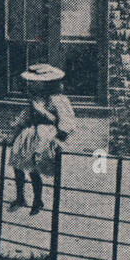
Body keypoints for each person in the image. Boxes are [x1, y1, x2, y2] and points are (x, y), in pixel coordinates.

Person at [7, 63, 77, 215]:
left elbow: (66, 119)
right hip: (29, 133)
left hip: (45, 134)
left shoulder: (57, 99)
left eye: (35, 82)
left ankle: (37, 200)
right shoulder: (35, 99)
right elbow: (26, 116)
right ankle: (20, 197)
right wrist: (17, 125)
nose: (31, 84)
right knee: (18, 164)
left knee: (33, 167)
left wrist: (60, 136)